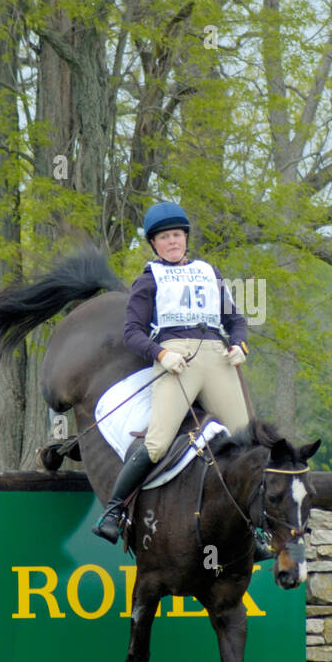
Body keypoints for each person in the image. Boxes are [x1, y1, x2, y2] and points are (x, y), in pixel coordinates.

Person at [92, 201, 269, 556]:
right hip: (177, 358)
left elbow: (234, 319)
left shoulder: (208, 272)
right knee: (157, 443)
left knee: (252, 446)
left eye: (177, 235)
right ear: (154, 244)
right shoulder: (148, 280)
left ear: (185, 238)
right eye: (164, 237)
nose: (172, 242)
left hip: (216, 356)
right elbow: (132, 332)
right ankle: (114, 512)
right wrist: (161, 354)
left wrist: (240, 345)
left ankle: (259, 532)